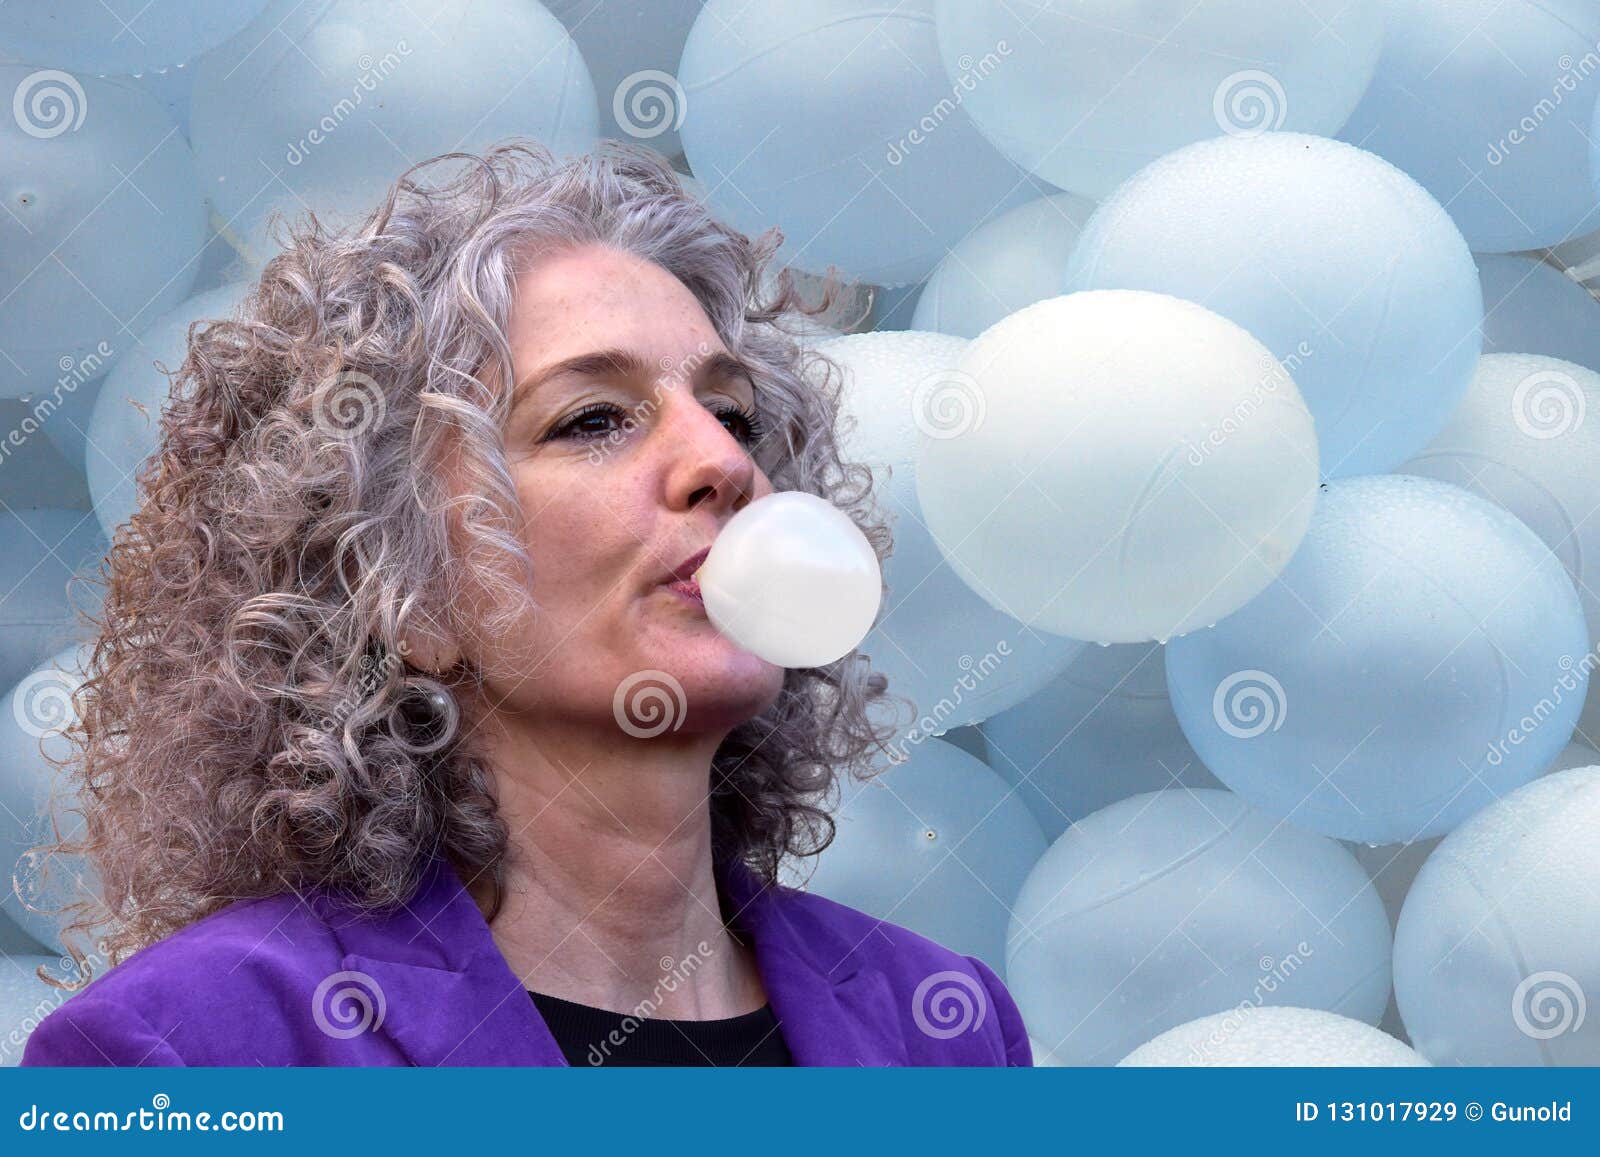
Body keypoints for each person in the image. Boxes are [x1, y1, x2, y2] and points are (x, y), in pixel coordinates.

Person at [20, 140, 1031, 1067]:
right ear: (407, 595)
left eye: (732, 414)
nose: (724, 463)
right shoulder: (191, 1044)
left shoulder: (946, 1029)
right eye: (592, 419)